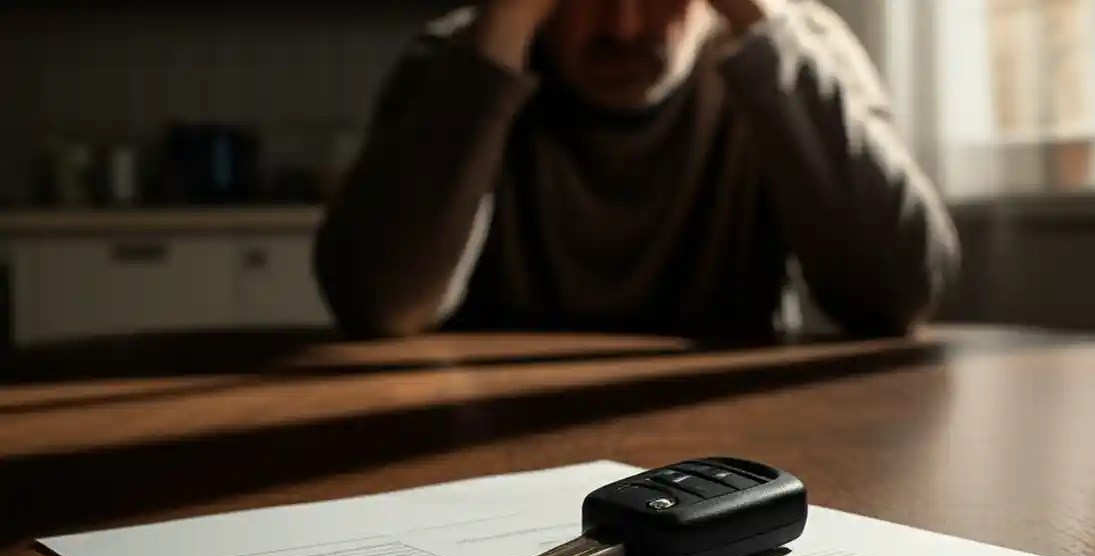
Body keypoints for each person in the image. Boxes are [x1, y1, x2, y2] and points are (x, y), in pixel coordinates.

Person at [314, 0, 958, 339]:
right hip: (484, 451)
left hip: (730, 459)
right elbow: (378, 305)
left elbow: (899, 293)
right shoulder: (458, 56)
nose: (622, 25)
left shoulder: (795, 53)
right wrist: (498, 39)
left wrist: (766, 32)